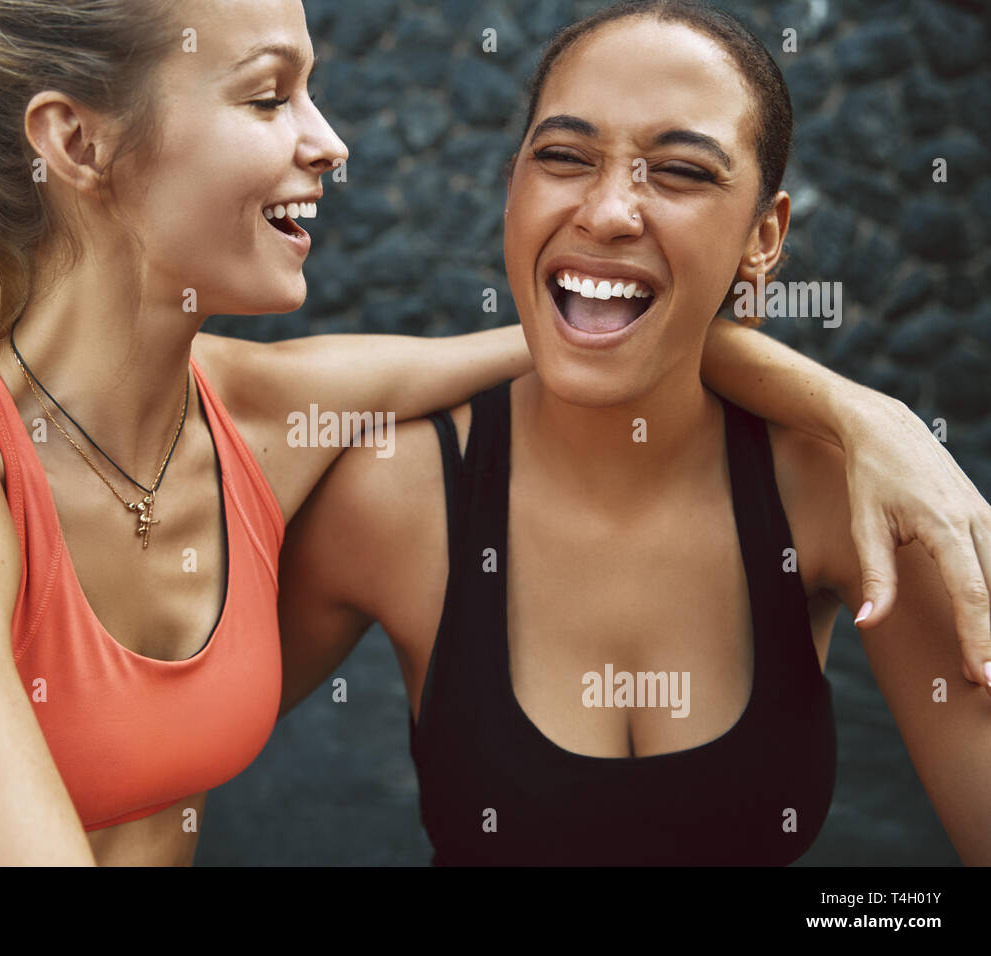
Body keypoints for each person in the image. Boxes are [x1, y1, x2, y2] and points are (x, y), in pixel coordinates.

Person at [0, 0, 990, 866]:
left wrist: (863, 415)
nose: (329, 141)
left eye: (679, 172)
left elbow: (594, 332)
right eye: (270, 93)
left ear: (765, 229)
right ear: (76, 142)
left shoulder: (277, 415)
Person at [274, 0, 991, 865]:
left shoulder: (859, 496)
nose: (610, 211)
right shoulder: (394, 493)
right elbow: (146, 754)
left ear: (764, 238)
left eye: (682, 171)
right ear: (514, 189)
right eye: (565, 157)